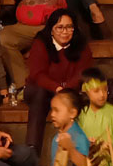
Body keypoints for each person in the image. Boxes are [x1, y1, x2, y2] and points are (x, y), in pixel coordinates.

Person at [24, 9, 94, 155]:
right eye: (60, 27)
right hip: (42, 89)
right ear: (51, 30)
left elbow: (81, 73)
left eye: (69, 27)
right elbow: (38, 74)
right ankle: (32, 150)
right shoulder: (41, 43)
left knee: (83, 97)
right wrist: (57, 89)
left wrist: (65, 91)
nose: (65, 31)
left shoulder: (81, 45)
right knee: (40, 94)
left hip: (69, 91)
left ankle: (85, 147)